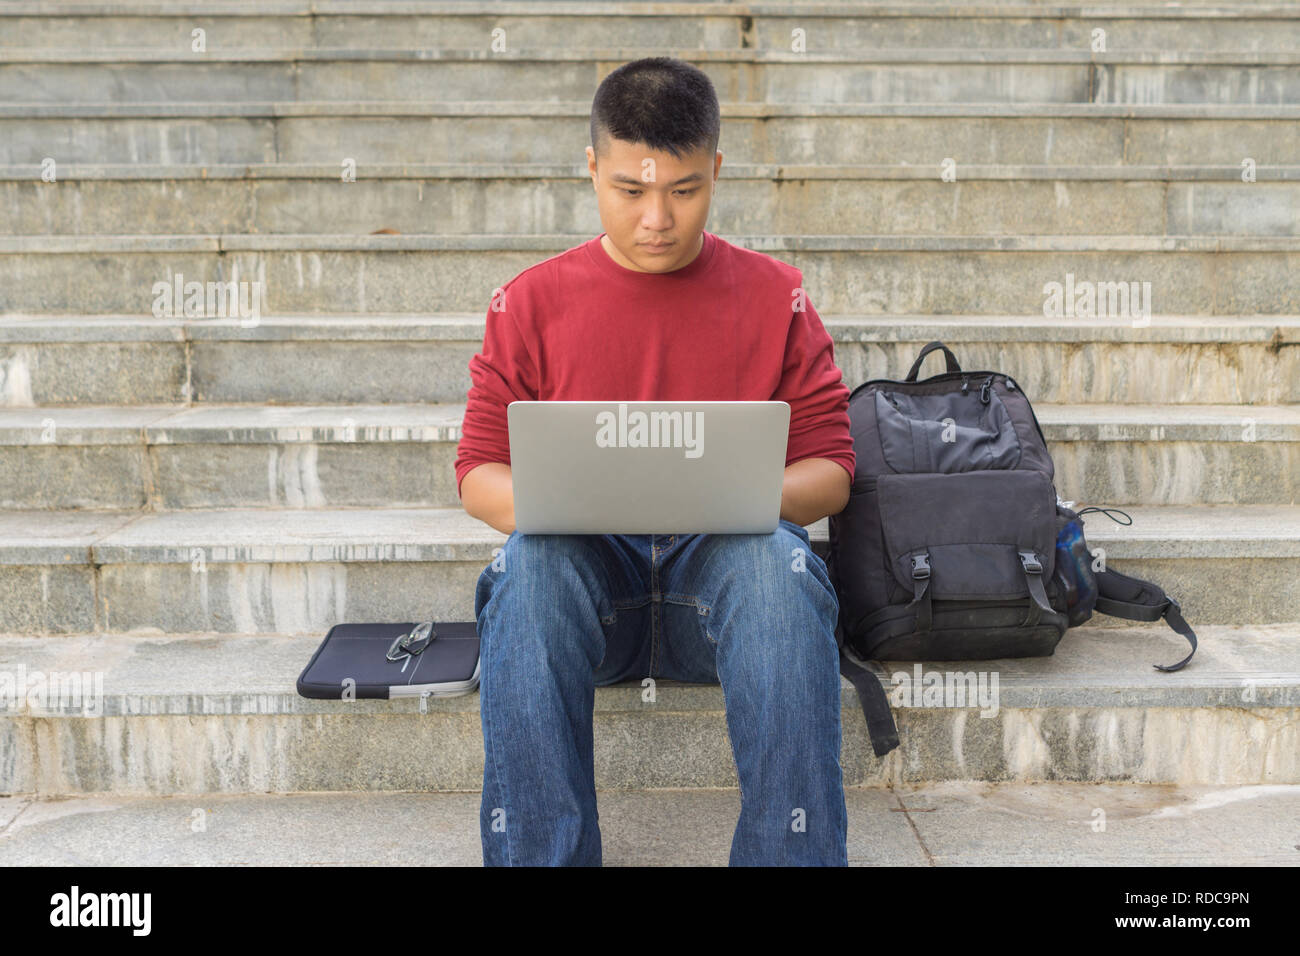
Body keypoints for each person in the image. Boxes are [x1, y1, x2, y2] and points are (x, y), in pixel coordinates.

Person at [453, 56, 856, 866]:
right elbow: (478, 475)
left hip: (723, 596)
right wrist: (570, 502)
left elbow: (833, 471)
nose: (656, 220)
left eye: (683, 190)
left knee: (778, 568)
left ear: (716, 169)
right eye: (630, 192)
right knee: (529, 568)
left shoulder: (776, 294)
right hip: (588, 601)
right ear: (592, 168)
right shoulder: (529, 302)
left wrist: (735, 499)